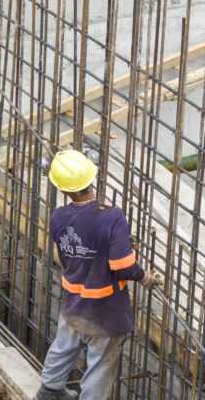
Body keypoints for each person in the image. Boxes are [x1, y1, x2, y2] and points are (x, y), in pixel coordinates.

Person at [36, 149, 162, 400]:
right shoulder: (112, 217)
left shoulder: (58, 216)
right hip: (105, 311)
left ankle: (48, 392)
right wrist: (143, 276)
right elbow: (122, 266)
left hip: (73, 301)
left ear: (63, 190)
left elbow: (68, 254)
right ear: (92, 179)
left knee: (63, 346)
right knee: (100, 365)